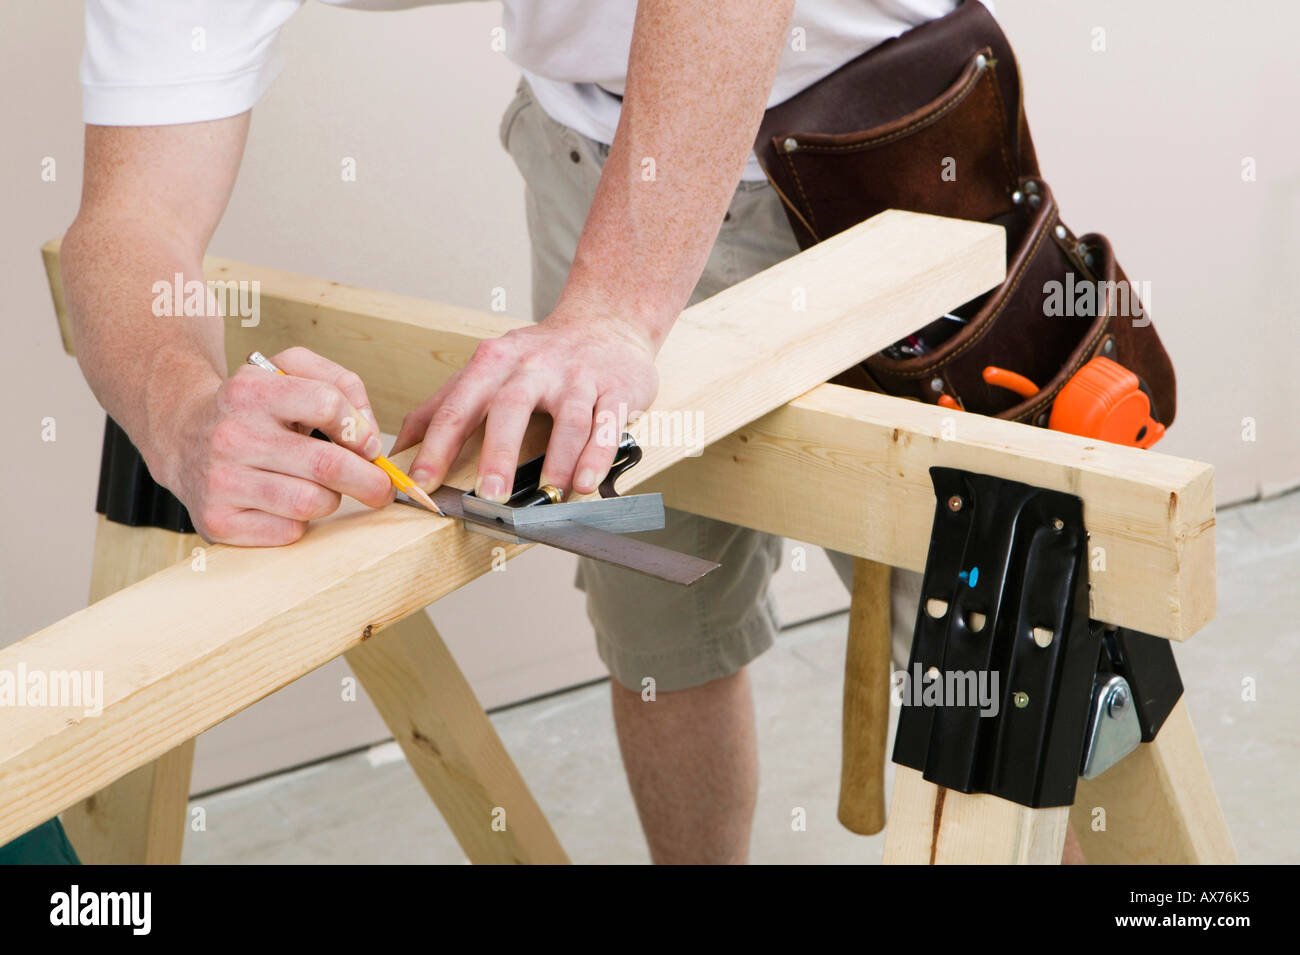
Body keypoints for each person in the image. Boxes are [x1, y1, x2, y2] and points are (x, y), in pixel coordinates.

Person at [62, 0, 1077, 865]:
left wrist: (612, 309)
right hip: (597, 160)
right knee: (657, 618)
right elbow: (129, 223)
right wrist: (183, 415)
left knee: (1004, 641)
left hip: (892, 143)